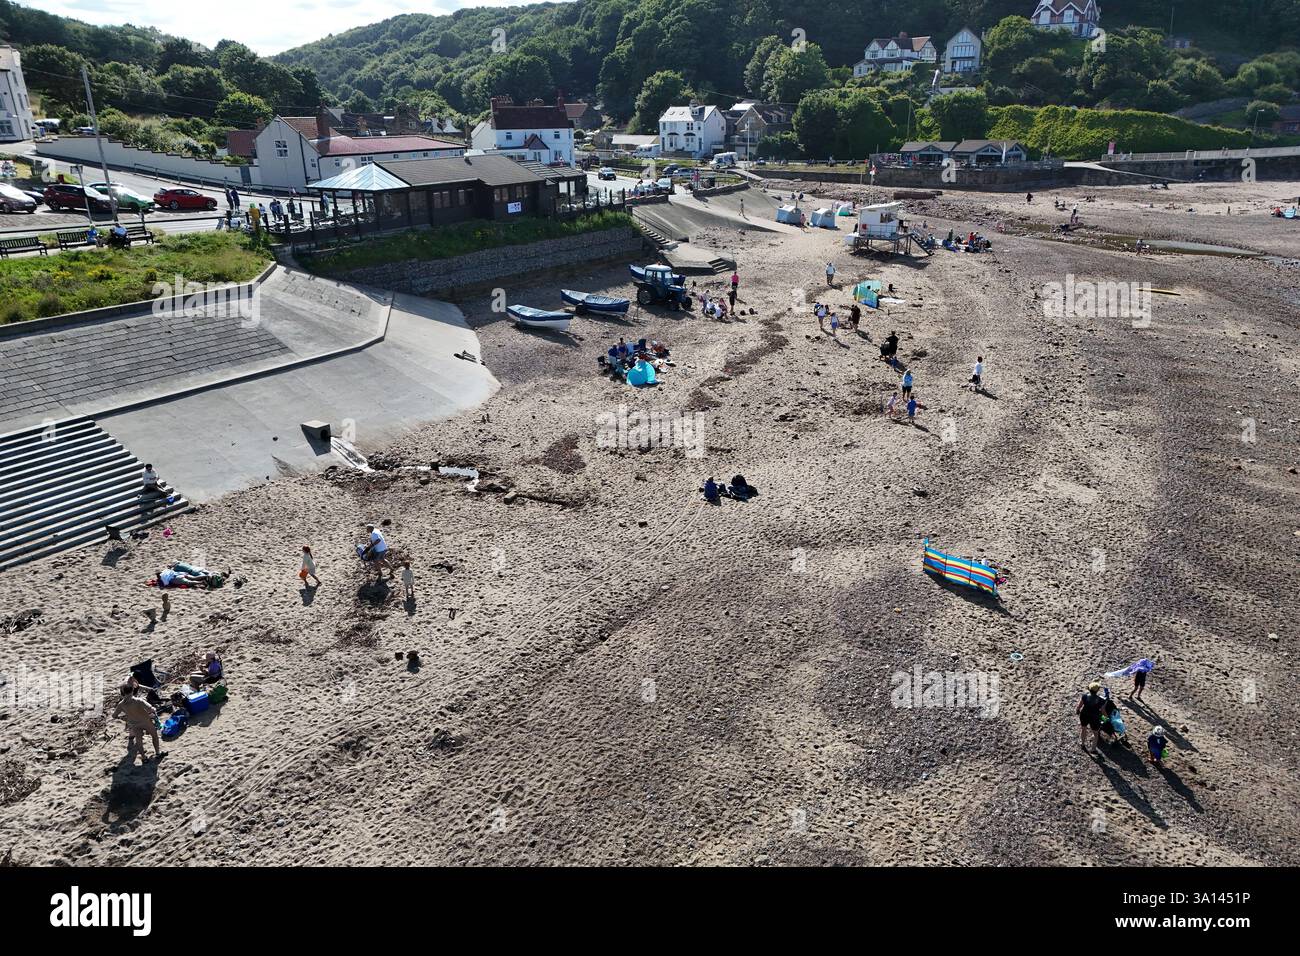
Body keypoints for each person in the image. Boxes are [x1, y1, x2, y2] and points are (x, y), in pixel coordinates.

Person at [112, 683, 162, 763]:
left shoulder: (121, 705)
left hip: (134, 724)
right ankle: (158, 753)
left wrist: (123, 718)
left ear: (123, 693)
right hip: (146, 722)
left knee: (139, 741)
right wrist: (154, 710)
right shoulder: (138, 701)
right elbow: (151, 709)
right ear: (132, 691)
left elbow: (114, 716)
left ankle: (144, 757)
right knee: (154, 736)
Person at [1077, 681, 1105, 751]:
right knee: (1095, 733)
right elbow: (1103, 711)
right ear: (1097, 690)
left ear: (1089, 689)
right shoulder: (1101, 700)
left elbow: (1079, 706)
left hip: (1084, 714)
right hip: (1094, 717)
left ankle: (1083, 744)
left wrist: (1077, 710)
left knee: (1083, 729)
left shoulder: (1085, 696)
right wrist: (1105, 718)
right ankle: (1093, 749)